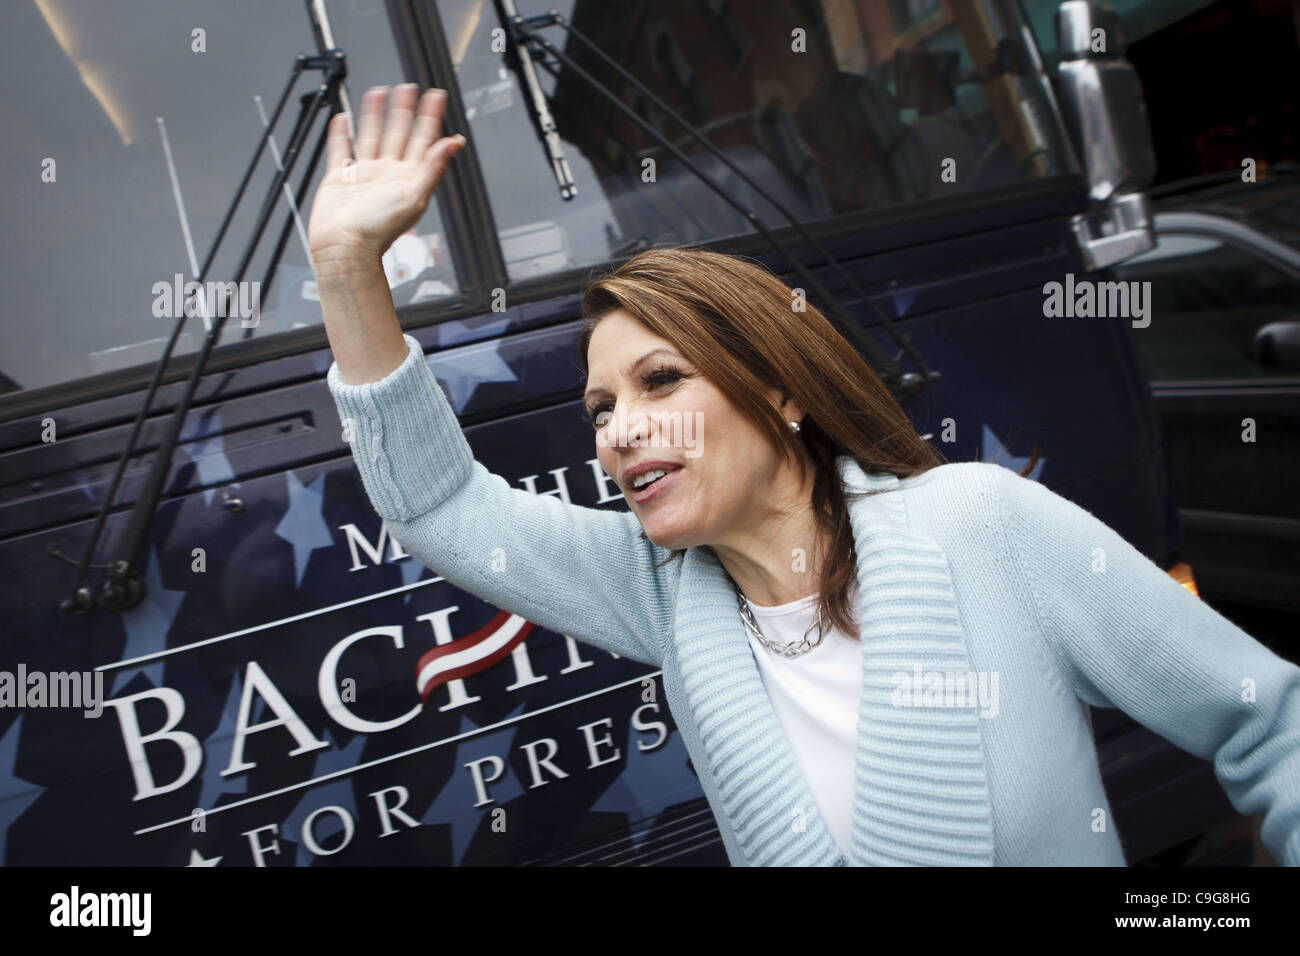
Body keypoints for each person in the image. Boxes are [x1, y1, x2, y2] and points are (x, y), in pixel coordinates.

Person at [308, 83, 1300, 866]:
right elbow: (440, 502)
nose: (618, 431)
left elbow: (1267, 719)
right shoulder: (662, 596)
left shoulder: (979, 524)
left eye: (660, 380)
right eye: (601, 409)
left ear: (781, 392)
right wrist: (347, 265)